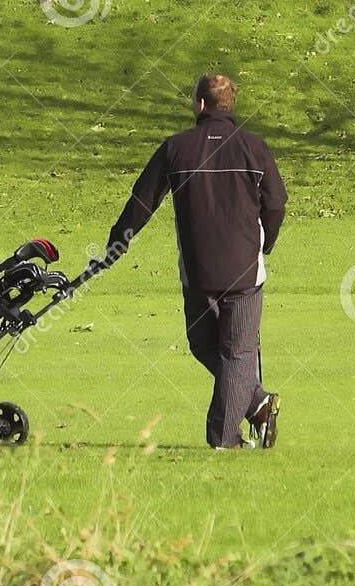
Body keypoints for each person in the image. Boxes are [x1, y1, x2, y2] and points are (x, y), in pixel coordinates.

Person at [102, 73, 286, 449]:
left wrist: (117, 243)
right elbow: (277, 203)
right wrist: (265, 242)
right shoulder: (255, 147)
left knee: (216, 349)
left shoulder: (176, 147)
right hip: (245, 270)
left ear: (200, 104)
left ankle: (222, 439)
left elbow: (143, 200)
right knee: (229, 354)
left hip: (198, 270)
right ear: (229, 105)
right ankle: (257, 403)